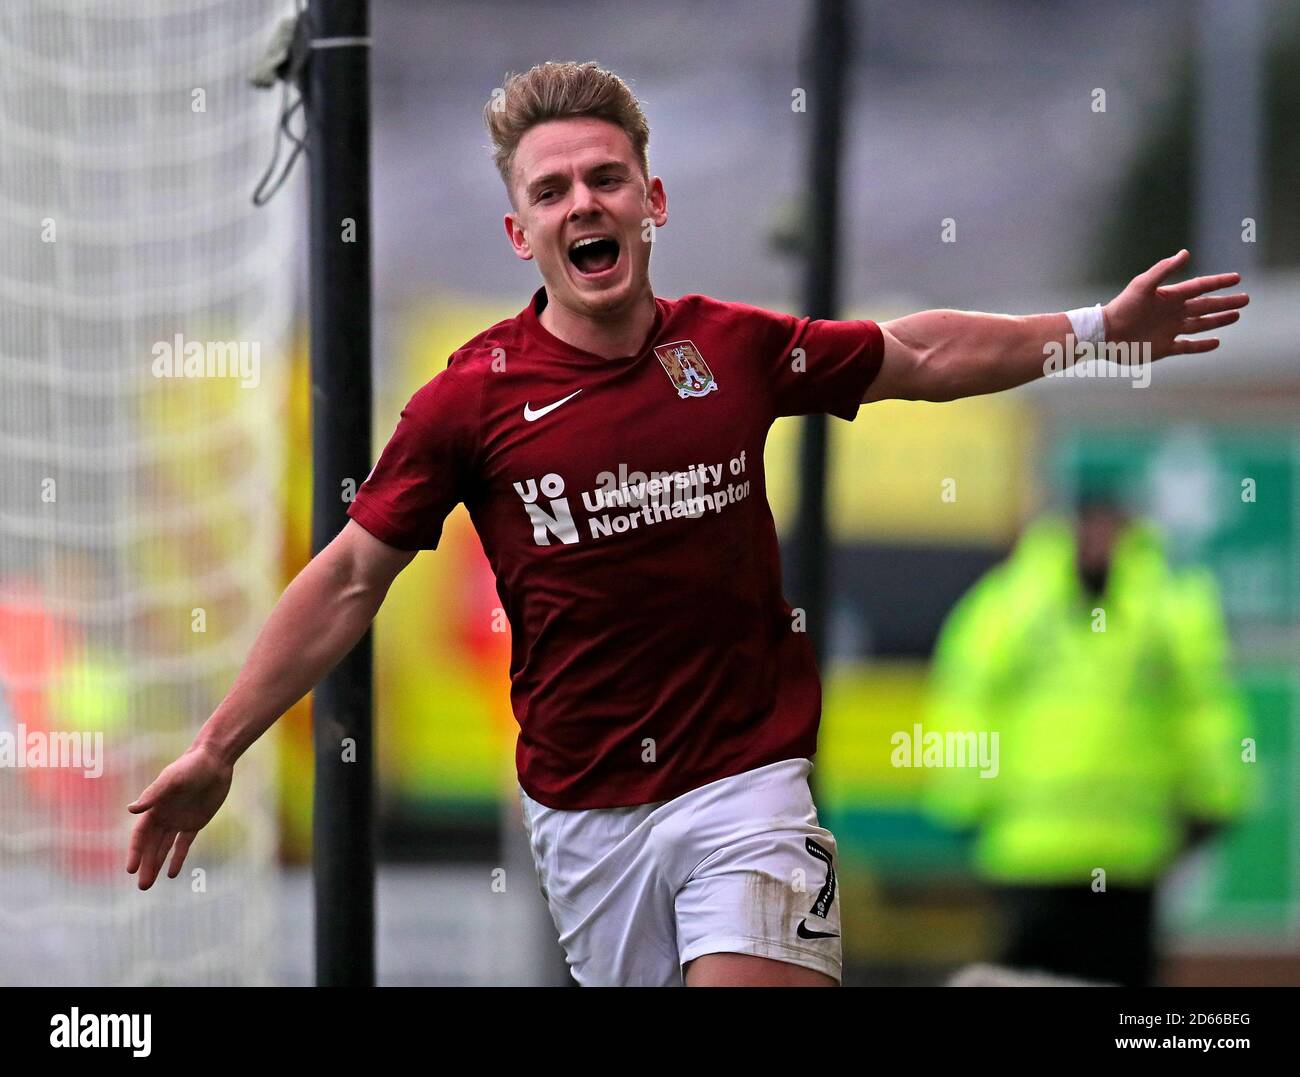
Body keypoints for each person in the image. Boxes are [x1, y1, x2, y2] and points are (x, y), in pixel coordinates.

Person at [127, 60, 1250, 987]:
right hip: (584, 815)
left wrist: (1095, 326)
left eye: (605, 179)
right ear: (521, 233)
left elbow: (922, 355)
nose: (584, 204)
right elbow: (348, 579)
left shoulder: (730, 349)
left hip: (745, 790)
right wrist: (218, 744)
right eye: (553, 191)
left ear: (651, 202)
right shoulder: (469, 401)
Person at [922, 498, 1251, 985]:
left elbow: (1205, 713)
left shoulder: (1008, 603)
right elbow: (965, 706)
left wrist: (963, 805)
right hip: (1064, 853)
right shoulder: (1170, 607)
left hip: (1083, 854)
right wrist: (1215, 802)